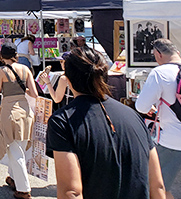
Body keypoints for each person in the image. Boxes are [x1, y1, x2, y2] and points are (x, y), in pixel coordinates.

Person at [46, 47, 165, 199]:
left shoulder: (62, 121)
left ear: (68, 79)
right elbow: (157, 186)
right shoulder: (133, 116)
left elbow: (71, 192)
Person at [136, 39, 181, 199]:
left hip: (173, 142)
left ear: (158, 54)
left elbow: (141, 107)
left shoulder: (160, 73)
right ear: (177, 53)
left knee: (156, 187)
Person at [0, 43, 38, 199]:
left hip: (10, 113)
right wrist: (21, 89)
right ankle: (13, 178)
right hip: (26, 113)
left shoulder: (1, 71)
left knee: (13, 150)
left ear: (2, 56)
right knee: (20, 148)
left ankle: (24, 189)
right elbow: (34, 93)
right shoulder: (26, 70)